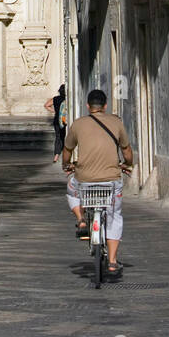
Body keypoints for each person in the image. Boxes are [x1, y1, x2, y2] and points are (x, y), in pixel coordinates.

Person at [63, 89, 133, 278]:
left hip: (84, 179)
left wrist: (66, 165)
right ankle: (111, 261)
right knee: (114, 215)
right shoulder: (116, 123)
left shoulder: (78, 125)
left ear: (88, 106)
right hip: (111, 180)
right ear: (105, 106)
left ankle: (80, 219)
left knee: (71, 190)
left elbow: (67, 150)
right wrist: (128, 164)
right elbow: (126, 151)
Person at [44, 84, 67, 162]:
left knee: (58, 137)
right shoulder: (69, 99)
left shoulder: (56, 99)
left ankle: (56, 156)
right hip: (66, 121)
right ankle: (66, 155)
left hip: (57, 120)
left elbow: (46, 105)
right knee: (65, 137)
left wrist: (55, 111)